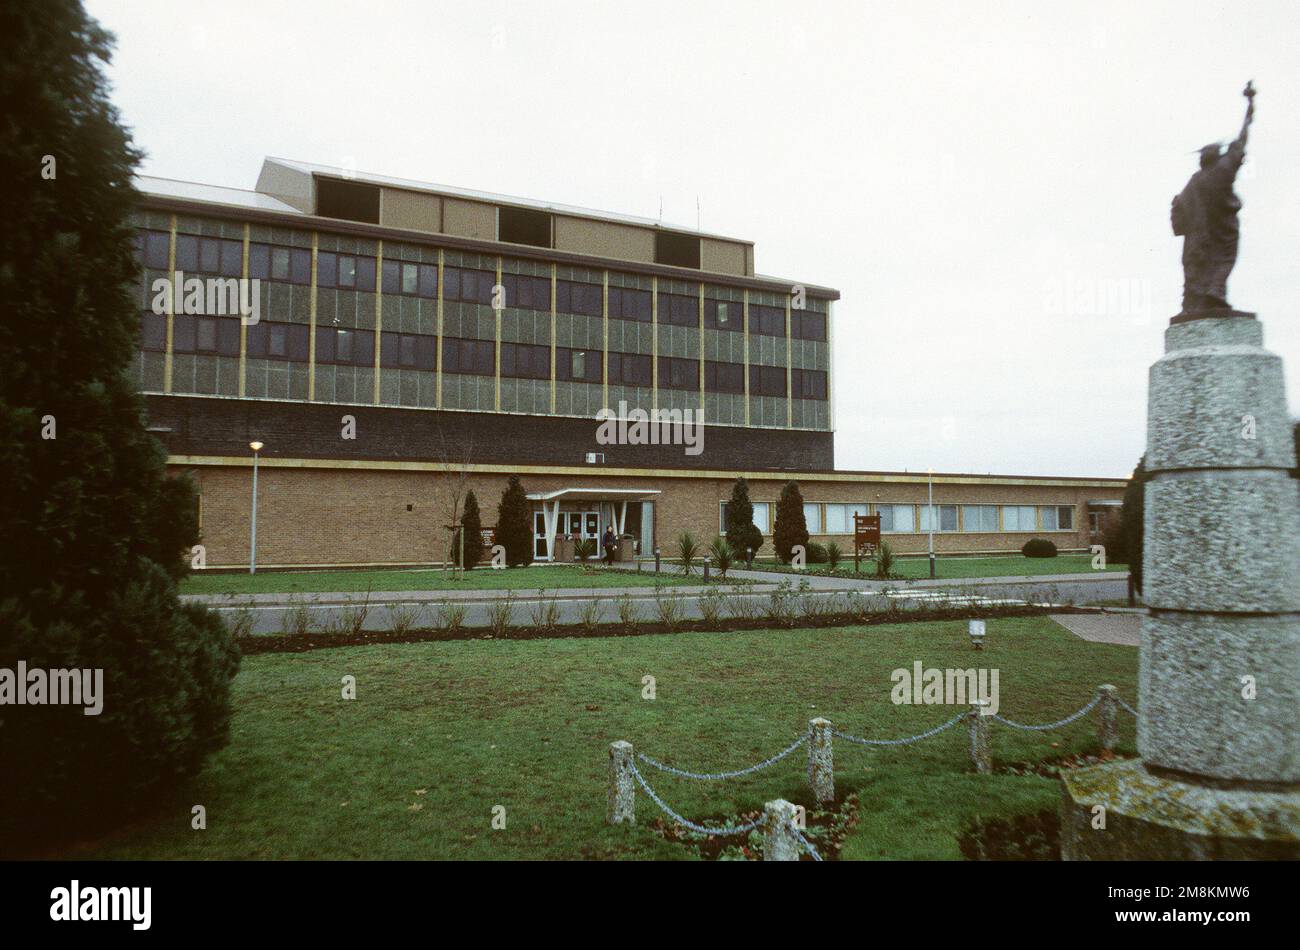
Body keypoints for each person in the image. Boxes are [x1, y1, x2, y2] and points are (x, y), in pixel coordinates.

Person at [1171, 82, 1254, 314]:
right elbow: (1242, 139)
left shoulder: (1192, 183)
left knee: (1199, 267)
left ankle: (1197, 301)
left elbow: (1178, 215)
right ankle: (1214, 293)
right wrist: (1250, 106)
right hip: (1223, 231)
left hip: (1198, 240)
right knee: (1225, 259)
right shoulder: (1223, 169)